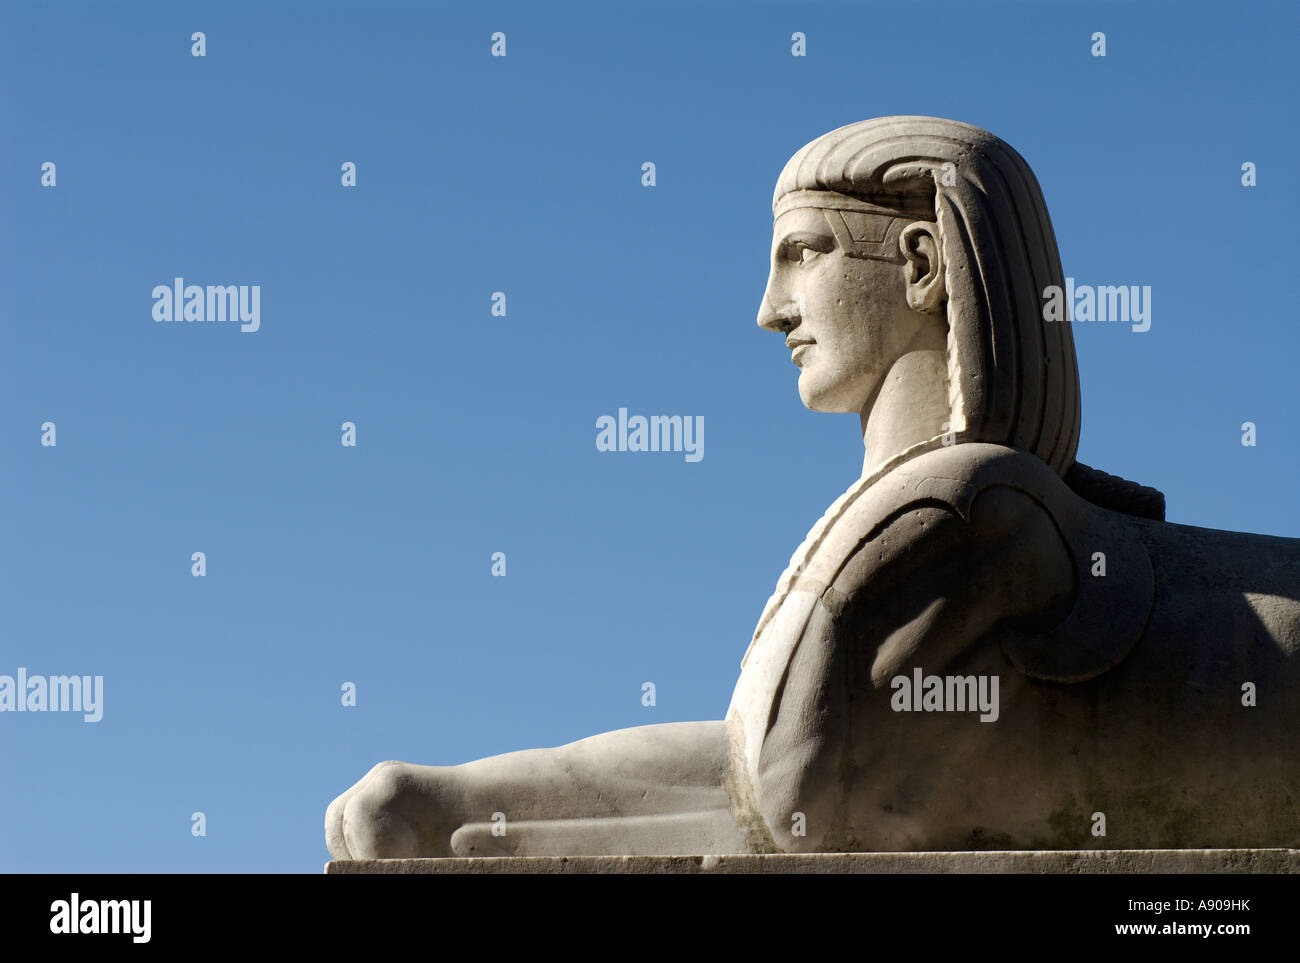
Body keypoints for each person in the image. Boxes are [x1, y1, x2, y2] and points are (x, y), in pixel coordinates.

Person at [327, 117, 1300, 860]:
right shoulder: (949, 520)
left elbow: (802, 797)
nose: (767, 310)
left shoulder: (956, 518)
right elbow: (755, 761)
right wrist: (452, 796)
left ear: (920, 265)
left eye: (801, 253)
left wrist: (483, 834)